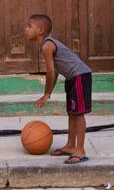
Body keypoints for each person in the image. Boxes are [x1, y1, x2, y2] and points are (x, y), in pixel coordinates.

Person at [25, 14, 93, 164]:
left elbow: (50, 71)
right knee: (72, 112)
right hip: (72, 78)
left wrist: (46, 93)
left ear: (40, 30)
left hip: (80, 76)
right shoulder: (45, 45)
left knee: (79, 114)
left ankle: (80, 150)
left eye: (29, 26)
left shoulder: (47, 45)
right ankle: (70, 145)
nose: (26, 29)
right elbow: (55, 71)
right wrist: (48, 93)